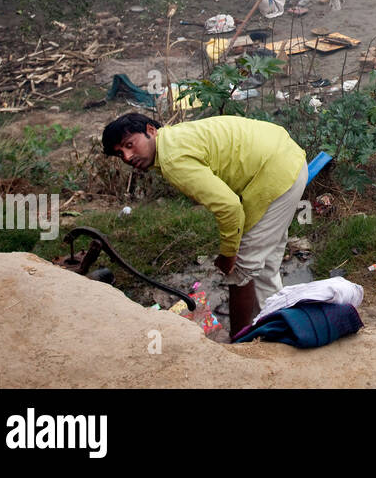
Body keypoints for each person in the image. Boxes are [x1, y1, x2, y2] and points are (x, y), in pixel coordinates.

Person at [102, 113, 307, 337]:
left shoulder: (173, 159)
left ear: (150, 130)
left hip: (276, 172)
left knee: (241, 271)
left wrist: (228, 254)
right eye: (120, 153)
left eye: (130, 145)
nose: (128, 156)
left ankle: (239, 343)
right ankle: (276, 328)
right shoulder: (174, 139)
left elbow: (229, 208)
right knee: (264, 264)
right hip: (286, 158)